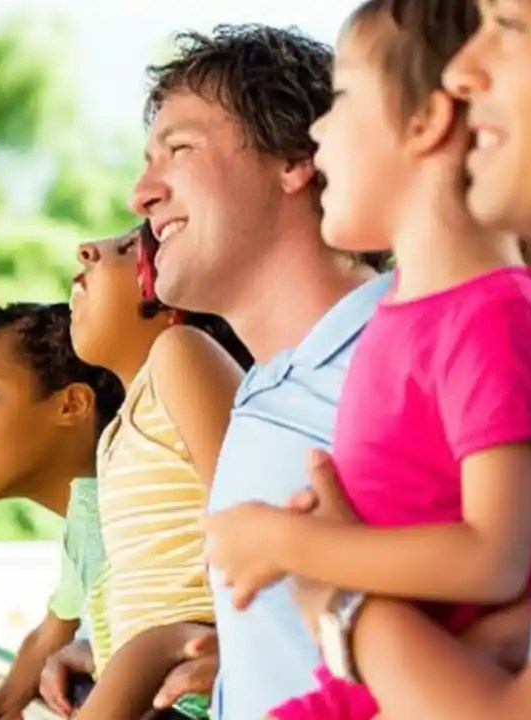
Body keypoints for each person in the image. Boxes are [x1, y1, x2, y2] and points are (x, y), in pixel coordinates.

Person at [198, 2, 531, 718]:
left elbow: (493, 556)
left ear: (426, 123)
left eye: (341, 98)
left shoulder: (489, 317)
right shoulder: (410, 319)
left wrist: (294, 544)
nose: (317, 128)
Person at [123, 24, 392, 720]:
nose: (141, 195)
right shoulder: (264, 391)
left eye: (179, 148)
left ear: (296, 159)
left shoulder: (404, 348)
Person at [57, 222, 246, 719]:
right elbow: (150, 576)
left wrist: (243, 648)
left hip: (190, 682)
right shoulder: (125, 423)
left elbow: (248, 521)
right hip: (155, 687)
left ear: (170, 303)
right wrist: (100, 648)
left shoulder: (179, 351)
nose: (86, 250)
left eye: (125, 249)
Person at [0, 301, 122, 720]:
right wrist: (1, 703)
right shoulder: (86, 517)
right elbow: (53, 629)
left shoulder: (127, 513)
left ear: (72, 405)